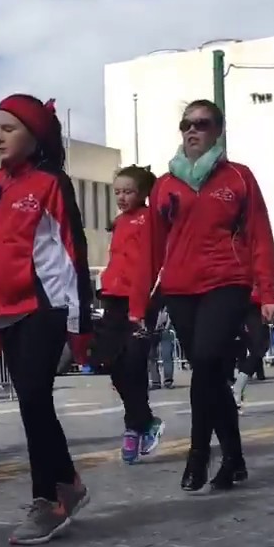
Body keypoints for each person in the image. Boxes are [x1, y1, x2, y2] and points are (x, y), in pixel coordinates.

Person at [149, 99, 274, 492]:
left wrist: (269, 293)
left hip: (227, 281)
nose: (192, 131)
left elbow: (260, 235)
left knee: (206, 361)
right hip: (180, 288)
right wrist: (142, 301)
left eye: (201, 124)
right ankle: (235, 458)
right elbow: (152, 248)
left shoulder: (238, 177)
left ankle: (198, 454)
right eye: (186, 124)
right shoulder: (164, 185)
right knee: (210, 375)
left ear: (217, 131)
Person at [0, 93, 92, 545]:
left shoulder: (51, 183)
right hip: (4, 313)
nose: (0, 138)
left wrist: (80, 324)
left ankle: (48, 499)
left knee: (32, 398)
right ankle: (68, 483)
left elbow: (72, 254)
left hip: (44, 307)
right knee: (32, 403)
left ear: (35, 134)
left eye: (9, 128)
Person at [96, 166, 165, 463]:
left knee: (135, 365)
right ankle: (144, 420)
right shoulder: (120, 222)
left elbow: (147, 266)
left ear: (143, 193)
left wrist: (140, 309)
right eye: (117, 192)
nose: (122, 197)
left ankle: (134, 427)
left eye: (128, 191)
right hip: (112, 299)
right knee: (113, 363)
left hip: (139, 302)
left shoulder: (149, 220)